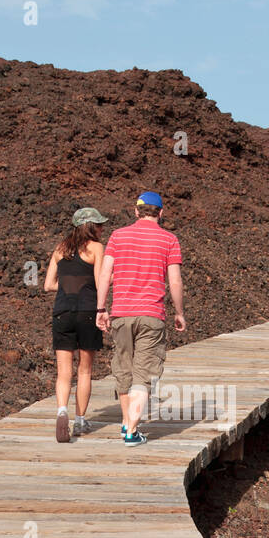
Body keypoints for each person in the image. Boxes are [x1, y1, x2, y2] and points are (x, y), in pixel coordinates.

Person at [95, 190, 185, 446]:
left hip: (121, 313)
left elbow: (104, 275)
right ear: (161, 213)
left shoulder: (117, 236)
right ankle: (132, 431)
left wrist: (101, 309)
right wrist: (179, 312)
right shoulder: (169, 240)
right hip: (152, 315)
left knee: (124, 370)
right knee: (143, 374)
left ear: (136, 211)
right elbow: (175, 280)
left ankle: (127, 423)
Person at [44, 206, 107, 442]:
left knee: (63, 372)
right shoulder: (96, 248)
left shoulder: (60, 248)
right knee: (85, 370)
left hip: (62, 311)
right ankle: (80, 420)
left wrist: (67, 285)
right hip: (87, 311)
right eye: (99, 225)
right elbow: (101, 282)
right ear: (90, 227)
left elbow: (48, 284)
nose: (102, 229)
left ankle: (62, 411)